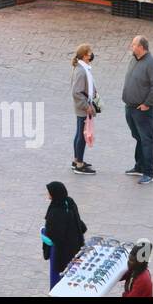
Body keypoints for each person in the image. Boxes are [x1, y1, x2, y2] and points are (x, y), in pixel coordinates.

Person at [122, 35, 153, 185]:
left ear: (141, 47)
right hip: (130, 107)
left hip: (143, 109)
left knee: (147, 139)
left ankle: (149, 172)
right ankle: (139, 166)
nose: (131, 47)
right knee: (138, 136)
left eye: (133, 44)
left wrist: (147, 104)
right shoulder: (134, 60)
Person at [43, 181, 86, 288]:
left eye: (49, 192)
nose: (47, 194)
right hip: (75, 245)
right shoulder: (69, 201)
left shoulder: (56, 211)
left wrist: (44, 233)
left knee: (59, 276)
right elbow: (78, 221)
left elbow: (54, 235)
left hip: (61, 251)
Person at [71, 43, 99, 175]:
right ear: (84, 55)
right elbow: (76, 92)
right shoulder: (81, 71)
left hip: (82, 107)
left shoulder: (83, 68)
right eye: (89, 52)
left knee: (79, 133)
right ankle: (79, 165)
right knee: (82, 135)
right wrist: (87, 106)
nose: (91, 54)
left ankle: (77, 160)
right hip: (83, 108)